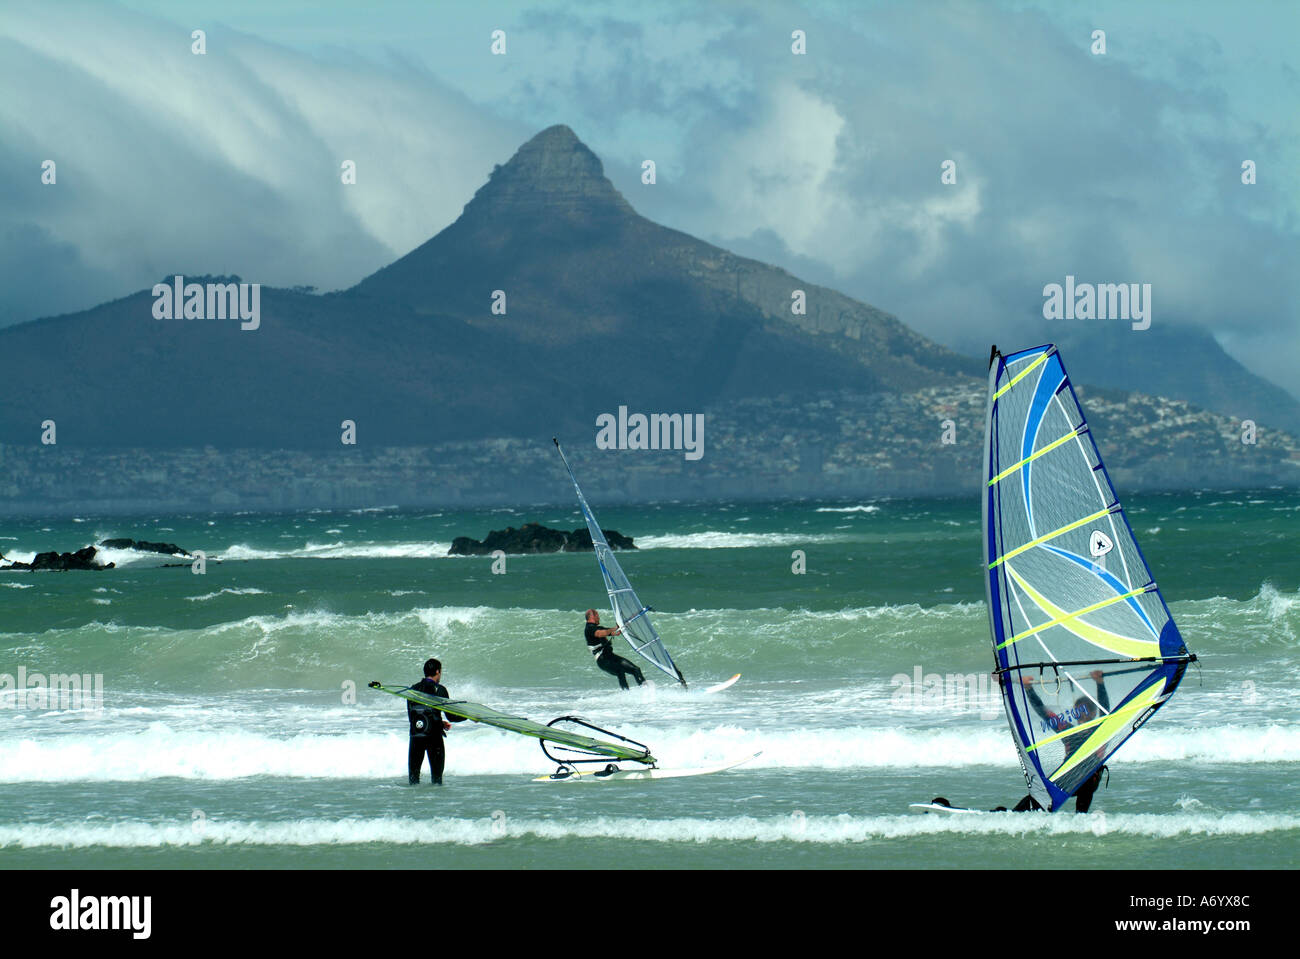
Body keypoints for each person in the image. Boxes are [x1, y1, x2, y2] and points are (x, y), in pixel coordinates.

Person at [1008, 669, 1110, 812]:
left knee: (1086, 782)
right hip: (1069, 778)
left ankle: (1080, 819)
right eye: (1079, 710)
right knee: (1043, 794)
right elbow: (1044, 713)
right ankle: (1013, 814)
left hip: (1083, 779)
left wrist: (1100, 683)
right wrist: (1028, 688)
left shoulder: (1096, 731)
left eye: (1084, 710)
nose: (1081, 713)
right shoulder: (1075, 730)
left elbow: (1105, 711)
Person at [406, 658, 464, 785]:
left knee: (413, 780)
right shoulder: (440, 690)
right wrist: (469, 716)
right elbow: (452, 717)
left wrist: (439, 722)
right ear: (437, 671)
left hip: (416, 736)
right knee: (437, 780)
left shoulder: (413, 689)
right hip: (434, 738)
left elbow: (413, 716)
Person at [584, 608, 645, 690]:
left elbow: (614, 630)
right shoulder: (589, 629)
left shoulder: (597, 627)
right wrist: (609, 632)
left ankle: (645, 690)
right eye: (598, 616)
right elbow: (600, 633)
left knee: (636, 669)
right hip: (602, 659)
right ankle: (626, 694)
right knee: (620, 671)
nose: (599, 618)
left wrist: (624, 624)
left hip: (611, 657)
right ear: (593, 617)